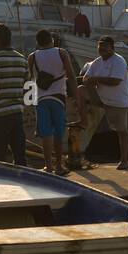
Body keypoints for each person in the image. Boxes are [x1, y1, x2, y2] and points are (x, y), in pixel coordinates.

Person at [28, 29, 79, 174]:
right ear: (52, 39)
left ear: (37, 42)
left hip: (41, 98)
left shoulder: (32, 57)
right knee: (58, 132)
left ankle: (48, 167)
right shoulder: (61, 53)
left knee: (46, 133)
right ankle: (59, 166)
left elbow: (29, 81)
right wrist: (76, 96)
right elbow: (71, 76)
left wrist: (29, 100)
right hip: (59, 98)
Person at [78, 35, 128, 170]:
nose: (101, 49)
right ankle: (83, 119)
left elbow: (115, 81)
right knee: (80, 90)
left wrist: (95, 79)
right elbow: (85, 78)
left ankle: (124, 160)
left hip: (117, 101)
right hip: (100, 100)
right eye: (99, 46)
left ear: (112, 48)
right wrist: (90, 81)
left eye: (104, 47)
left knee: (122, 131)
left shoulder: (118, 61)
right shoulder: (97, 62)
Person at [0, 22, 29, 165]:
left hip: (0, 114)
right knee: (19, 155)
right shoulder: (22, 59)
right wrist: (25, 106)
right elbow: (28, 85)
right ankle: (22, 180)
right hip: (17, 114)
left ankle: (1, 183)